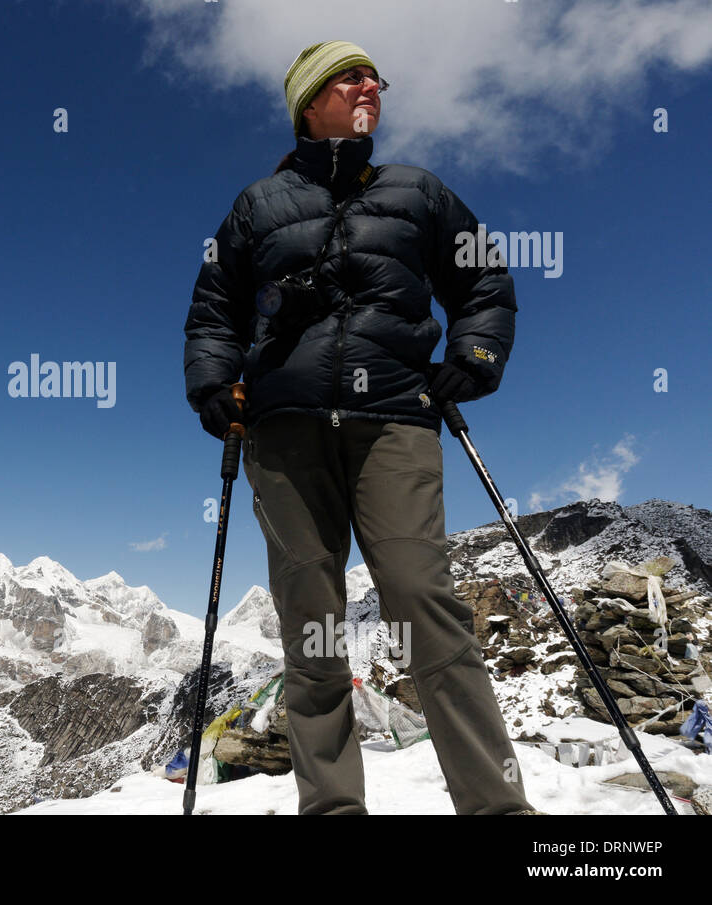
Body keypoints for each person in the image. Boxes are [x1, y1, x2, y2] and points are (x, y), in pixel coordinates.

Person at [182, 40, 537, 814]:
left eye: (375, 76)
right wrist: (213, 384)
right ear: (311, 101)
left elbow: (485, 279)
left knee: (424, 603)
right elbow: (216, 306)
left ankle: (498, 807)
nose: (371, 85)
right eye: (351, 76)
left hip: (396, 424)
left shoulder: (418, 193)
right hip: (283, 430)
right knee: (310, 622)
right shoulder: (258, 206)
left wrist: (473, 354)